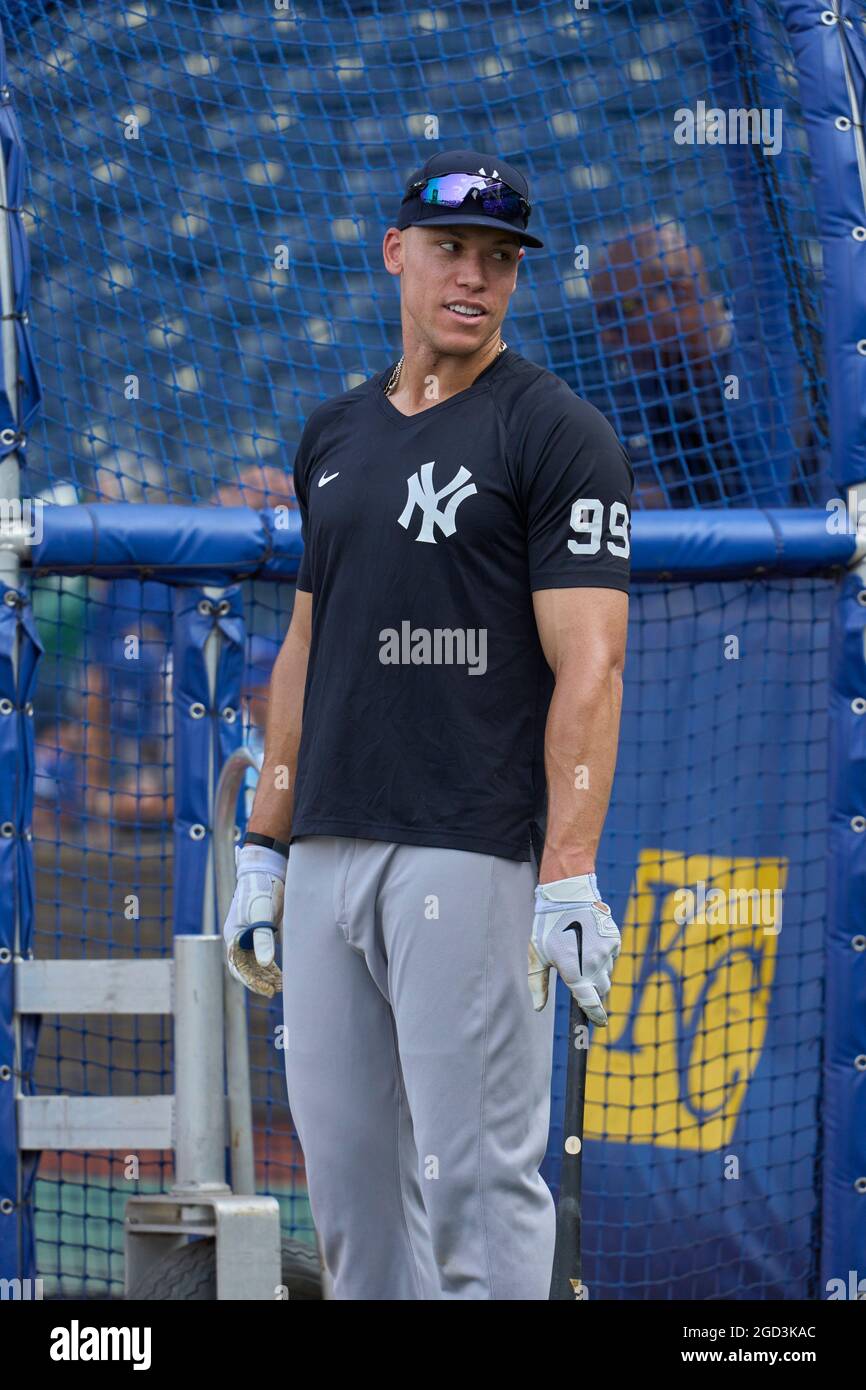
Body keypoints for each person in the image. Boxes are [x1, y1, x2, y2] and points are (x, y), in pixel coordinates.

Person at [222, 149, 632, 1300]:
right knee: (352, 1207)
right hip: (329, 854)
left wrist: (566, 874)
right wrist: (265, 842)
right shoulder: (332, 436)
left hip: (470, 850)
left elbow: (589, 665)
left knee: (477, 1197)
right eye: (450, 249)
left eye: (499, 260)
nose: (474, 277)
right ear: (395, 253)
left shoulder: (558, 435)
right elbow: (308, 647)